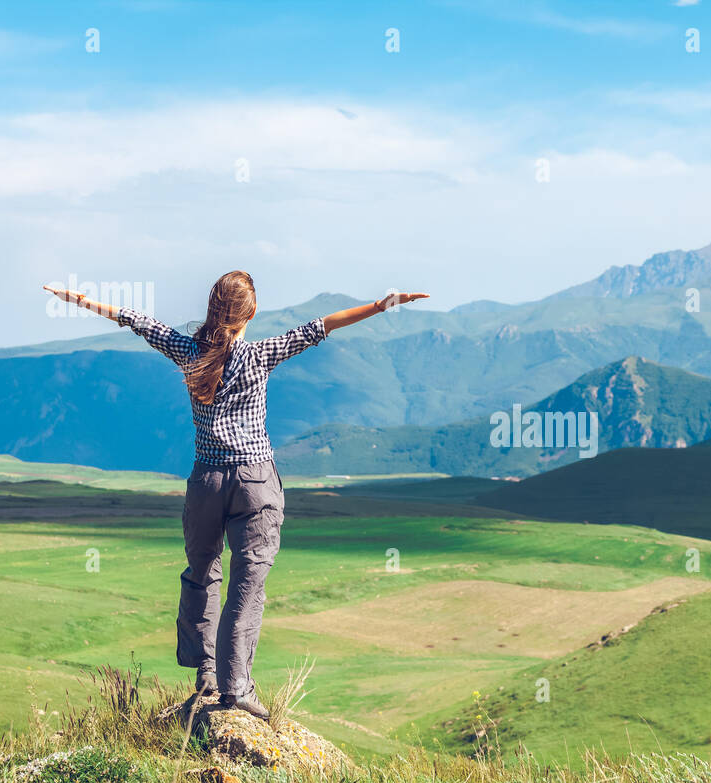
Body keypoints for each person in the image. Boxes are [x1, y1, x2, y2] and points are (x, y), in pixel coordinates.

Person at [44, 271, 429, 718]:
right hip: (255, 486)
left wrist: (80, 299)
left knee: (202, 575)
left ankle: (206, 672)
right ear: (252, 313)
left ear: (212, 308)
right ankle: (237, 687)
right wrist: (382, 305)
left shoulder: (188, 351)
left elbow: (135, 319)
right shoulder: (261, 354)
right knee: (248, 585)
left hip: (206, 483)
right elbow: (324, 325)